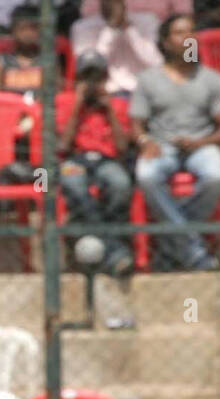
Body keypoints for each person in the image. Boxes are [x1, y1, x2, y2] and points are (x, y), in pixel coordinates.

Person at [130, 13, 220, 272]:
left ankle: (172, 243)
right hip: (161, 145)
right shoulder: (148, 79)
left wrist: (203, 141)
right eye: (179, 33)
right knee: (146, 176)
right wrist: (145, 142)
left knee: (216, 176)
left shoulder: (212, 79)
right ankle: (192, 249)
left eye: (191, 32)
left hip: (201, 143)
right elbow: (136, 124)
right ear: (165, 42)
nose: (188, 38)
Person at [59, 51, 134, 276]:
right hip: (74, 160)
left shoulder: (118, 104)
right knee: (73, 183)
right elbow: (62, 146)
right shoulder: (64, 102)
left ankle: (84, 230)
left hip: (106, 160)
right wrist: (78, 106)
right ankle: (115, 251)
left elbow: (122, 147)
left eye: (97, 78)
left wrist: (108, 109)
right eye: (86, 78)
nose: (92, 84)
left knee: (120, 183)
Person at [70, 0, 162, 98]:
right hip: (106, 93)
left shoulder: (147, 21)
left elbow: (155, 61)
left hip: (142, 90)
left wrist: (129, 29)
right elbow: (92, 67)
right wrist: (111, 28)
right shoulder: (83, 27)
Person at [0, 4, 43, 96]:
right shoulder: (3, 60)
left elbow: (56, 94)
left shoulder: (48, 60)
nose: (28, 34)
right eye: (23, 29)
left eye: (33, 28)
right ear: (13, 31)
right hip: (9, 108)